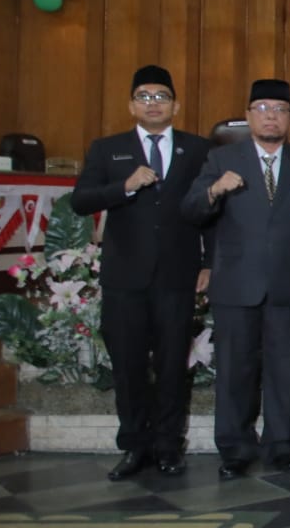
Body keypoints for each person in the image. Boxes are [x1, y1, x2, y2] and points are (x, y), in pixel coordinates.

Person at [72, 65, 211, 480]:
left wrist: (208, 263)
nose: (154, 103)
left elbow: (212, 211)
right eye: (145, 96)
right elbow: (80, 200)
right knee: (129, 365)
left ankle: (169, 446)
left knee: (172, 365)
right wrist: (125, 187)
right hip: (124, 278)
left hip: (176, 274)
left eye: (162, 96)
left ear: (176, 105)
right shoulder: (107, 148)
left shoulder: (198, 148)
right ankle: (134, 446)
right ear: (132, 104)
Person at [183, 78, 290, 478]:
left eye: (279, 109)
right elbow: (191, 210)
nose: (270, 116)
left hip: (288, 283)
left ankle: (280, 447)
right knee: (234, 371)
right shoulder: (222, 160)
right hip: (236, 283)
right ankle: (235, 449)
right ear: (248, 116)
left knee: (284, 369)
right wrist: (214, 192)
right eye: (262, 108)